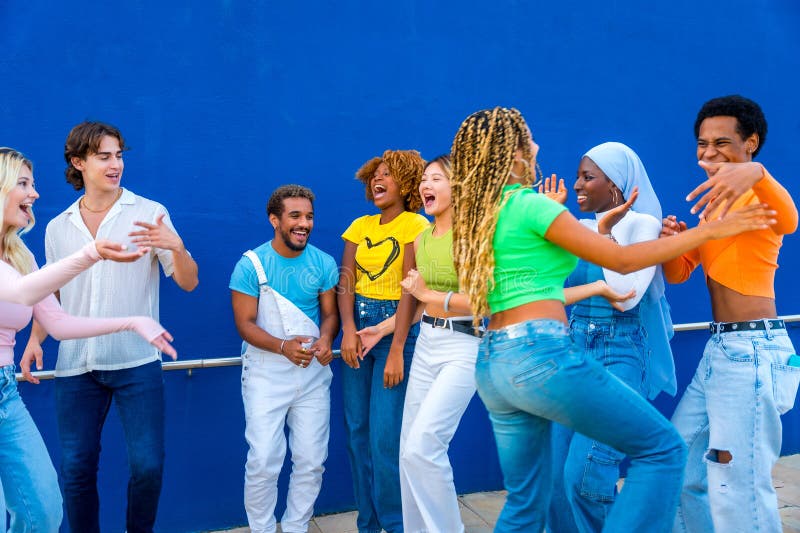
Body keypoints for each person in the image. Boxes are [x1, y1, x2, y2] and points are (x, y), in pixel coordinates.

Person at [449, 106, 777, 532]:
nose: (537, 145)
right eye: (527, 139)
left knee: (528, 503)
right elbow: (621, 261)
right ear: (511, 152)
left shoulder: (483, 215)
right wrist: (707, 232)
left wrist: (596, 227)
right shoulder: (531, 206)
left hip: (494, 364)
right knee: (663, 450)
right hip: (541, 354)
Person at [357, 155, 635, 533]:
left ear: (459, 188)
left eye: (436, 178)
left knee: (424, 447)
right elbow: (419, 301)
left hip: (465, 346)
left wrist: (594, 278)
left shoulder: (479, 239)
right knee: (409, 453)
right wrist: (385, 330)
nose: (426, 185)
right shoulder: (421, 239)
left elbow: (491, 300)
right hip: (427, 346)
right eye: (424, 179)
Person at [21, 121, 199, 533]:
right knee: (76, 469)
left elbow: (188, 282)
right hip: (76, 367)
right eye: (104, 156)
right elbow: (54, 294)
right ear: (78, 162)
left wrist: (176, 247)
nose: (115, 163)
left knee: (148, 467)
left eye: (118, 155)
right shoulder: (58, 227)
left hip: (136, 363)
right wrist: (35, 339)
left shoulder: (149, 213)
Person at [662, 95, 799, 533]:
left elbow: (790, 219)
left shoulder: (760, 196)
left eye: (722, 142)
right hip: (721, 347)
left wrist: (756, 172)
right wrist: (675, 239)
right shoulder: (714, 206)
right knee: (680, 463)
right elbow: (680, 273)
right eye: (702, 143)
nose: (708, 153)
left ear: (751, 143)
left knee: (739, 483)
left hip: (753, 349)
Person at [545, 142, 677, 533]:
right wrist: (549, 225)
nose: (577, 185)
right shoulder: (578, 228)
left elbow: (625, 296)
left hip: (619, 354)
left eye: (588, 177)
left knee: (585, 475)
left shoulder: (642, 226)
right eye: (578, 176)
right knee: (554, 480)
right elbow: (545, 284)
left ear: (615, 185)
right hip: (573, 352)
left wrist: (605, 234)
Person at [230, 184, 339, 533]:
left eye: (308, 216)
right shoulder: (251, 265)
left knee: (311, 461)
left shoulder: (323, 262)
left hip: (312, 376)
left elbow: (331, 315)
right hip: (265, 374)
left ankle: (296, 527)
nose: (304, 223)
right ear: (274, 219)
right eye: (295, 216)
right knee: (263, 460)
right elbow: (244, 325)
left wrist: (325, 339)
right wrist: (282, 346)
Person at [338, 150, 428, 533]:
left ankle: (394, 524)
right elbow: (346, 281)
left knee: (384, 439)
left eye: (388, 174)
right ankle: (368, 525)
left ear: (406, 182)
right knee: (357, 435)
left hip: (396, 332)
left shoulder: (415, 224)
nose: (378, 179)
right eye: (375, 174)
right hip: (358, 330)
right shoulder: (360, 226)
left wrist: (395, 349)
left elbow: (412, 291)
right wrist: (345, 329)